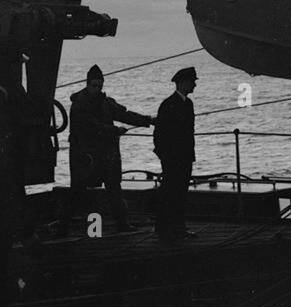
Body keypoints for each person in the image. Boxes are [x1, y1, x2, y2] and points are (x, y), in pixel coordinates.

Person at [69, 64, 154, 234]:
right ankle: (75, 227)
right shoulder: (79, 105)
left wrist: (148, 120)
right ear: (87, 84)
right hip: (86, 157)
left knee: (114, 189)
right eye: (94, 85)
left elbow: (124, 114)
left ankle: (122, 224)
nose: (97, 89)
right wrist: (115, 130)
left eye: (100, 86)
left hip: (107, 155)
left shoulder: (106, 102)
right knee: (81, 191)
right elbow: (91, 126)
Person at [153, 67, 197, 241]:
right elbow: (159, 134)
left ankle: (178, 228)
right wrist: (164, 156)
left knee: (180, 194)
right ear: (183, 83)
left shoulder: (188, 103)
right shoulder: (168, 104)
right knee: (170, 193)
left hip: (185, 156)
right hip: (172, 157)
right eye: (192, 81)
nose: (194, 84)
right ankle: (165, 229)